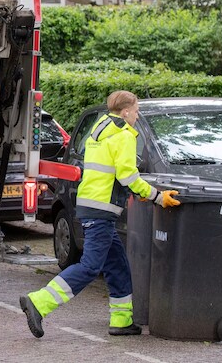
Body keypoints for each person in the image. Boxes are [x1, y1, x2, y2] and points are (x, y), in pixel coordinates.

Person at [20, 90, 180, 338]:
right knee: (90, 267)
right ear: (125, 111)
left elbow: (111, 172)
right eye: (136, 111)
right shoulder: (124, 136)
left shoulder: (100, 128)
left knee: (117, 265)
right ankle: (39, 303)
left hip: (90, 204)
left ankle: (122, 320)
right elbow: (128, 176)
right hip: (102, 210)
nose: (137, 117)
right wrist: (158, 197)